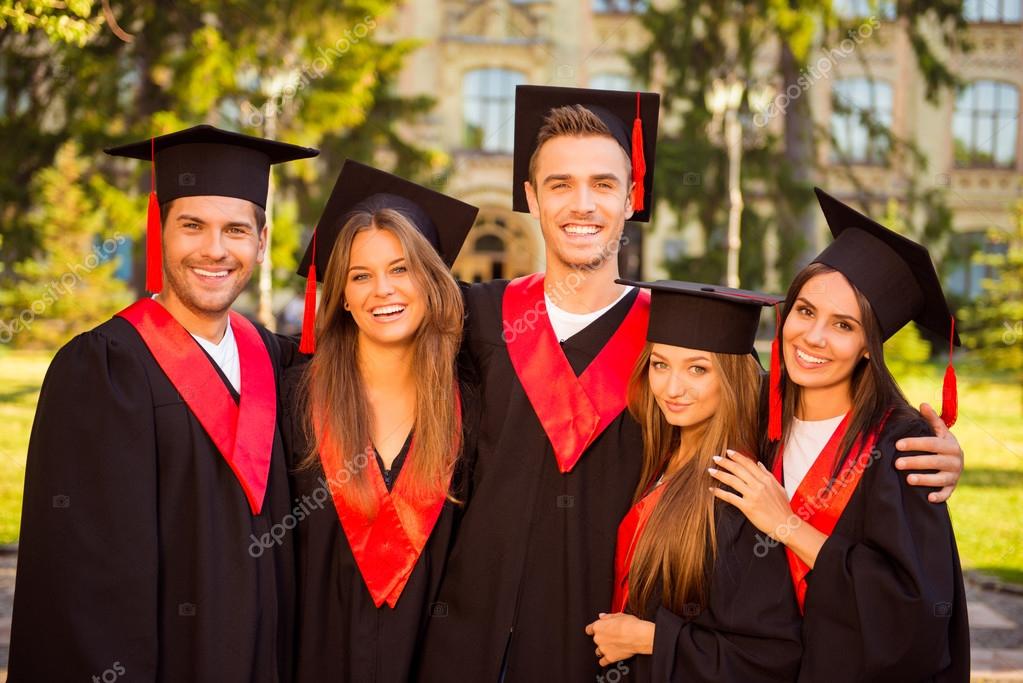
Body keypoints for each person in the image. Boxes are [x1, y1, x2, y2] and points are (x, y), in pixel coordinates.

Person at [417, 85, 966, 682]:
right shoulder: (475, 318)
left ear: (632, 196)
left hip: (599, 647)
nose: (582, 205)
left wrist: (930, 456)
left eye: (603, 184)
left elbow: (802, 411)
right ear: (529, 197)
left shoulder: (682, 337)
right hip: (466, 636)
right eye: (559, 184)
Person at [9, 124, 317, 682]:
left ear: (262, 241)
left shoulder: (274, 361)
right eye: (192, 225)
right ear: (160, 232)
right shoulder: (104, 370)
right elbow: (84, 588)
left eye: (236, 230)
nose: (215, 250)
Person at [710, 188, 970, 682]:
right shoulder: (752, 415)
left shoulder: (902, 450)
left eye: (843, 325)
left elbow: (909, 617)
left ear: (869, 347)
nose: (812, 338)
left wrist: (785, 524)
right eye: (805, 311)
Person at [284, 160, 480, 682]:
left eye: (401, 269)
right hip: (313, 660)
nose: (383, 290)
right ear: (342, 297)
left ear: (431, 281)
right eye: (360, 276)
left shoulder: (473, 409)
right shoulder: (296, 403)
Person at [586, 280, 803, 682]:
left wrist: (651, 638)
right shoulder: (652, 455)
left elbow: (771, 658)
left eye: (698, 369)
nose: (672, 388)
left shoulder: (739, 495)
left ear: (732, 377)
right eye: (660, 364)